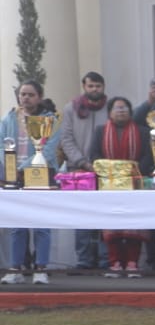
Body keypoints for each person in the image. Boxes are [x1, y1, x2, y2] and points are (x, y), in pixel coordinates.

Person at [1, 81, 64, 284]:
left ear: (39, 97)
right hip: (13, 177)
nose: (25, 98)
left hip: (40, 175)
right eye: (22, 94)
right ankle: (15, 269)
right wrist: (10, 167)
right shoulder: (9, 117)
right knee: (17, 224)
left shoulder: (50, 120)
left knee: (41, 224)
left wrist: (23, 168)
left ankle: (40, 268)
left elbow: (47, 150)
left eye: (30, 94)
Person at [87, 97, 147, 278]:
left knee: (133, 224)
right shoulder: (100, 131)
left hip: (134, 184)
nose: (121, 111)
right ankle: (114, 263)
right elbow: (94, 155)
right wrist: (110, 172)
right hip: (109, 185)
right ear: (110, 112)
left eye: (125, 108)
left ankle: (132, 263)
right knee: (111, 224)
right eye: (117, 108)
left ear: (130, 112)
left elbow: (148, 157)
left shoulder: (143, 132)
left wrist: (133, 172)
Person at [58, 71, 111, 270]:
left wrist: (101, 165)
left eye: (98, 86)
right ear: (84, 87)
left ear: (103, 87)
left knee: (105, 215)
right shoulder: (71, 108)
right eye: (91, 86)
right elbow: (66, 139)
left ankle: (106, 259)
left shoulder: (110, 107)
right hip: (78, 171)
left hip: (106, 171)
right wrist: (81, 162)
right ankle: (83, 260)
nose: (94, 90)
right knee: (81, 216)